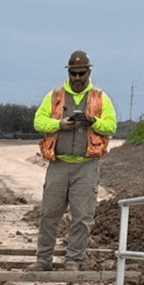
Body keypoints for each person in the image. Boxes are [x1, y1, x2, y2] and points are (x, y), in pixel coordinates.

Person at [30, 50, 117, 272]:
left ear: (89, 72)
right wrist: (59, 124)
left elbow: (111, 126)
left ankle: (73, 260)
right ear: (68, 73)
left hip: (86, 165)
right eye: (74, 73)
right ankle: (43, 260)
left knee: (82, 217)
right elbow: (39, 122)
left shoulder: (100, 98)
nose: (77, 78)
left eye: (81, 73)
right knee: (49, 214)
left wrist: (92, 121)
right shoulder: (55, 96)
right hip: (58, 164)